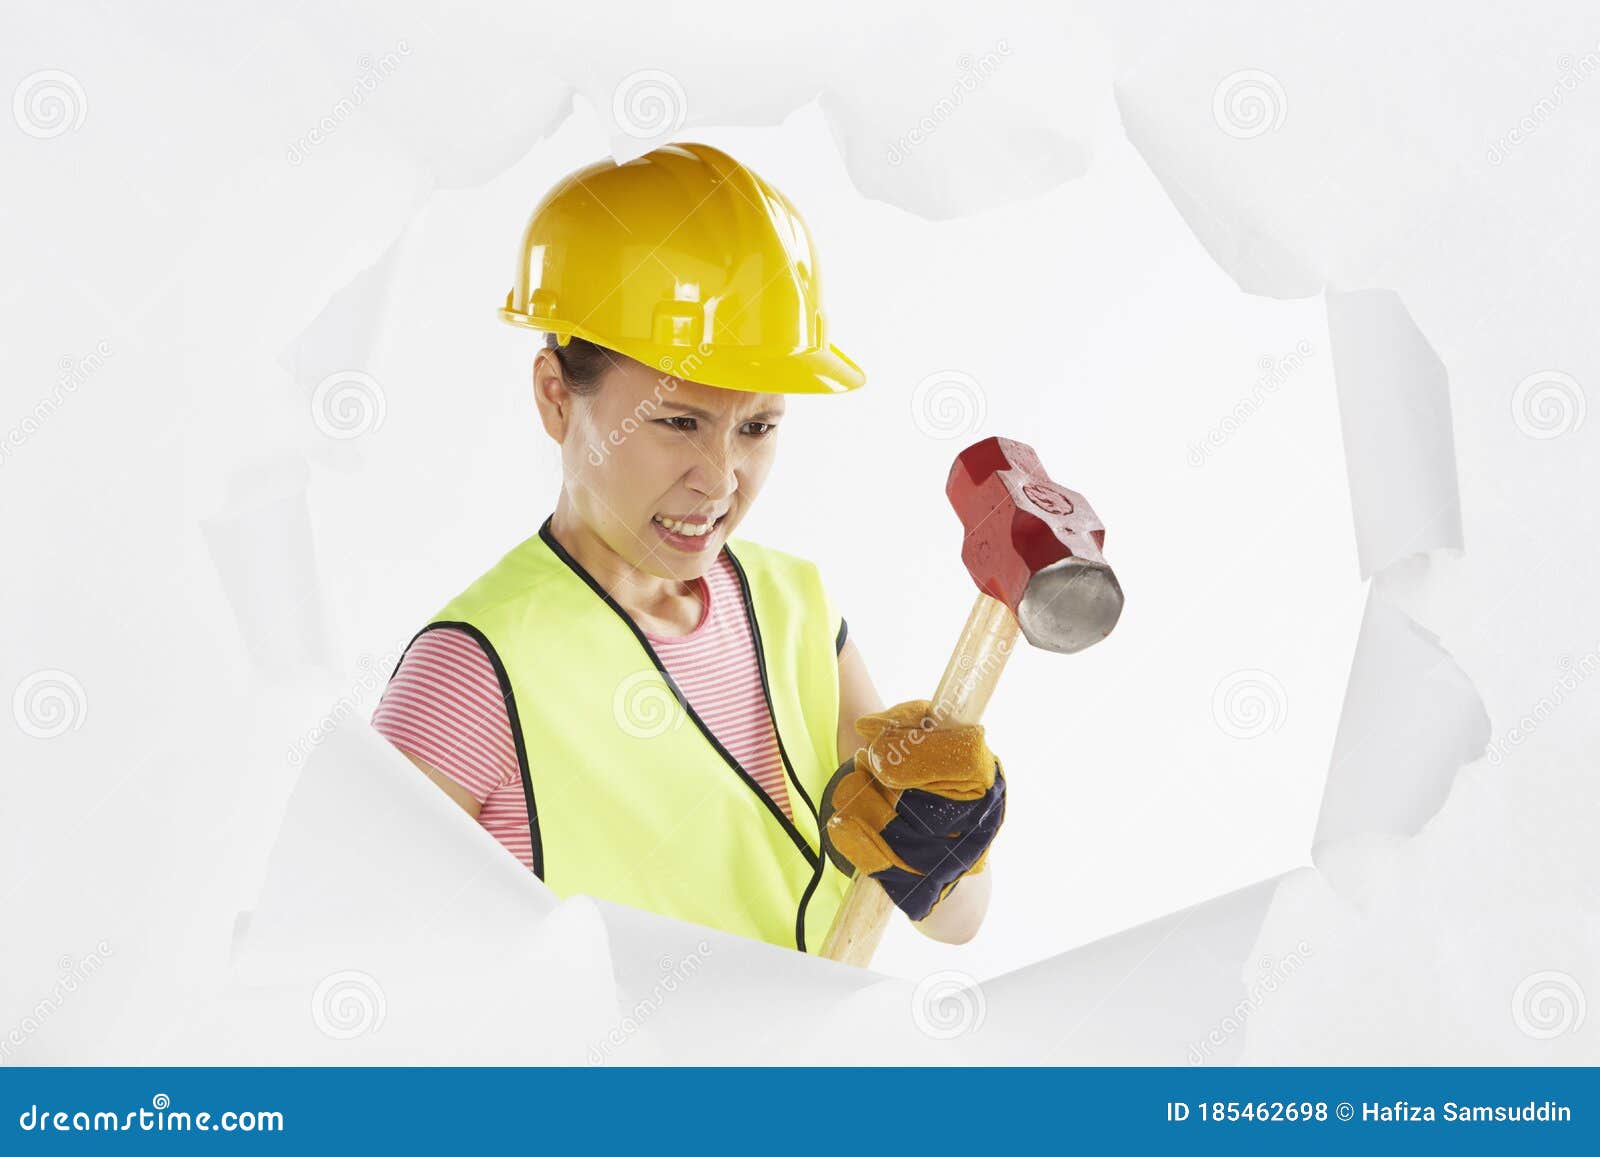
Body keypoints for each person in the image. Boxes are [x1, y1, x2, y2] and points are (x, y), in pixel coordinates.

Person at [371, 142, 1005, 954]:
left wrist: (952, 826)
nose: (721, 479)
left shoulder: (796, 610)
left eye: (758, 427)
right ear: (556, 396)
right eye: (678, 422)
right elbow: (373, 975)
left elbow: (950, 918)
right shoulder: (474, 671)